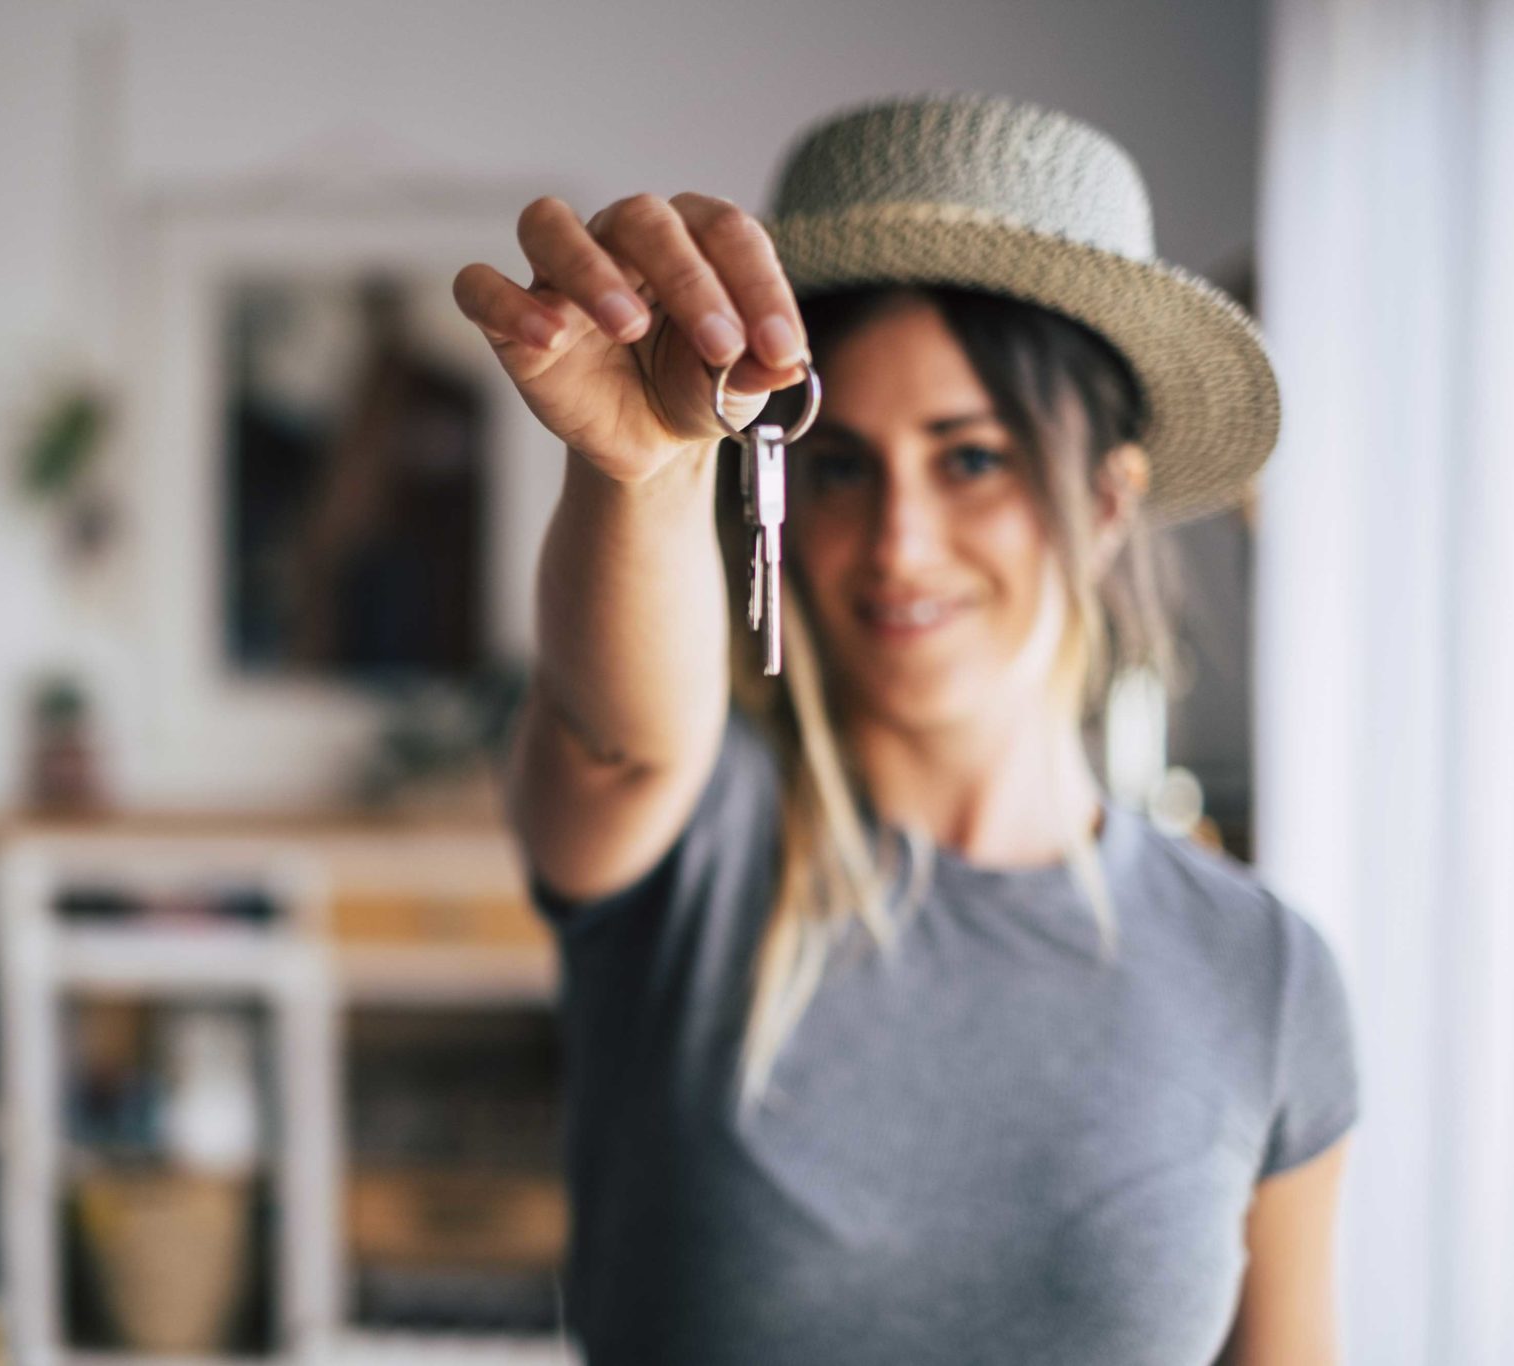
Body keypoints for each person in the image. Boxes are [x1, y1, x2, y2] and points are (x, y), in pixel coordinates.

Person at [452, 93, 1359, 1365]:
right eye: (840, 465)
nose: (896, 543)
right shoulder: (699, 851)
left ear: (1104, 499)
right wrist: (640, 475)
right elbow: (616, 737)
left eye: (970, 458)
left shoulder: (1261, 979)